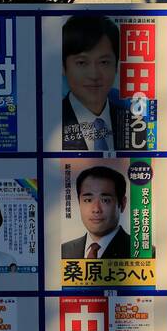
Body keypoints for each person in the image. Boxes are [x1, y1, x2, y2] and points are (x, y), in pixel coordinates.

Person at [61, 15, 135, 151]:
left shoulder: (133, 122)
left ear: (116, 65)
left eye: (104, 62)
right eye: (82, 63)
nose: (94, 75)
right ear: (64, 66)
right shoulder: (52, 120)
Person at [61, 165, 131, 260]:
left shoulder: (142, 252)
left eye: (105, 200)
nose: (96, 209)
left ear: (122, 204)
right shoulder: (64, 251)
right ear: (79, 202)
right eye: (88, 200)